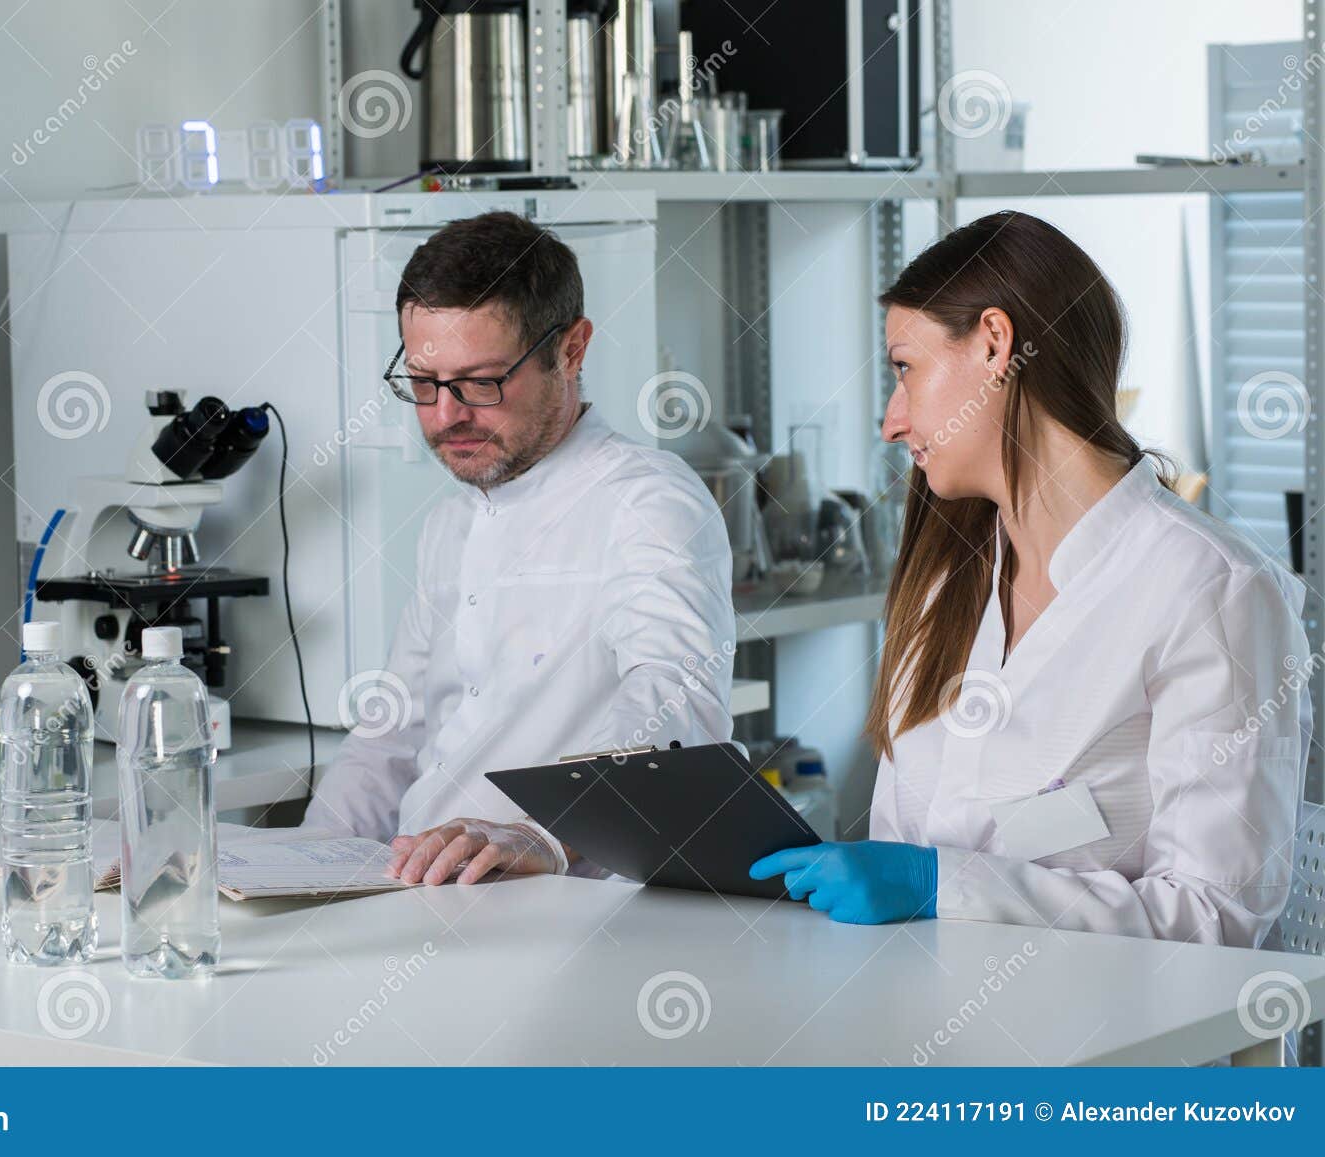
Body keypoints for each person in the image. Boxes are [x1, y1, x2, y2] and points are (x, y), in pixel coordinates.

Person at [751, 210, 1310, 948]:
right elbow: (898, 852)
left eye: (904, 369)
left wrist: (941, 884)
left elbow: (1216, 916)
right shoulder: (943, 582)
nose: (890, 420)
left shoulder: (1212, 590)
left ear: (993, 344)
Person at [304, 211, 736, 885]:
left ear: (570, 349)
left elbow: (675, 704)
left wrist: (543, 834)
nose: (447, 416)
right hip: (420, 887)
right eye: (424, 383)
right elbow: (391, 735)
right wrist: (303, 858)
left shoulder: (648, 501)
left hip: (555, 904)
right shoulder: (449, 522)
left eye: (481, 382)